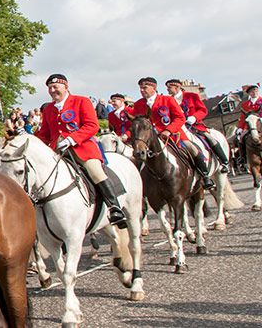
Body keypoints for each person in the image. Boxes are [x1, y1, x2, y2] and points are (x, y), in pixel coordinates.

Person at [35, 74, 129, 227]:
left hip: (82, 148)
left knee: (95, 171)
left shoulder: (81, 101)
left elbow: (92, 126)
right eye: (50, 88)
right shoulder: (49, 109)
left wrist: (72, 139)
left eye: (56, 87)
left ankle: (115, 208)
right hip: (57, 151)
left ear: (66, 86)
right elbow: (44, 135)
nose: (52, 90)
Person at [128, 76, 214, 190]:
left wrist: (168, 130)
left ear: (153, 87)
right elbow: (137, 123)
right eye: (140, 88)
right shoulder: (138, 104)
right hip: (150, 139)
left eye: (145, 87)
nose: (142, 90)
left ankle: (205, 176)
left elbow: (180, 117)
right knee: (136, 157)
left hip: (172, 135)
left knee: (192, 149)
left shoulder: (167, 100)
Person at [166, 78, 228, 173]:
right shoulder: (169, 100)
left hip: (195, 125)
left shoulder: (192, 96)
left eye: (169, 87)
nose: (167, 90)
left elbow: (203, 110)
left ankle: (224, 162)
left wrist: (194, 117)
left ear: (177, 87)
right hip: (179, 127)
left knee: (209, 137)